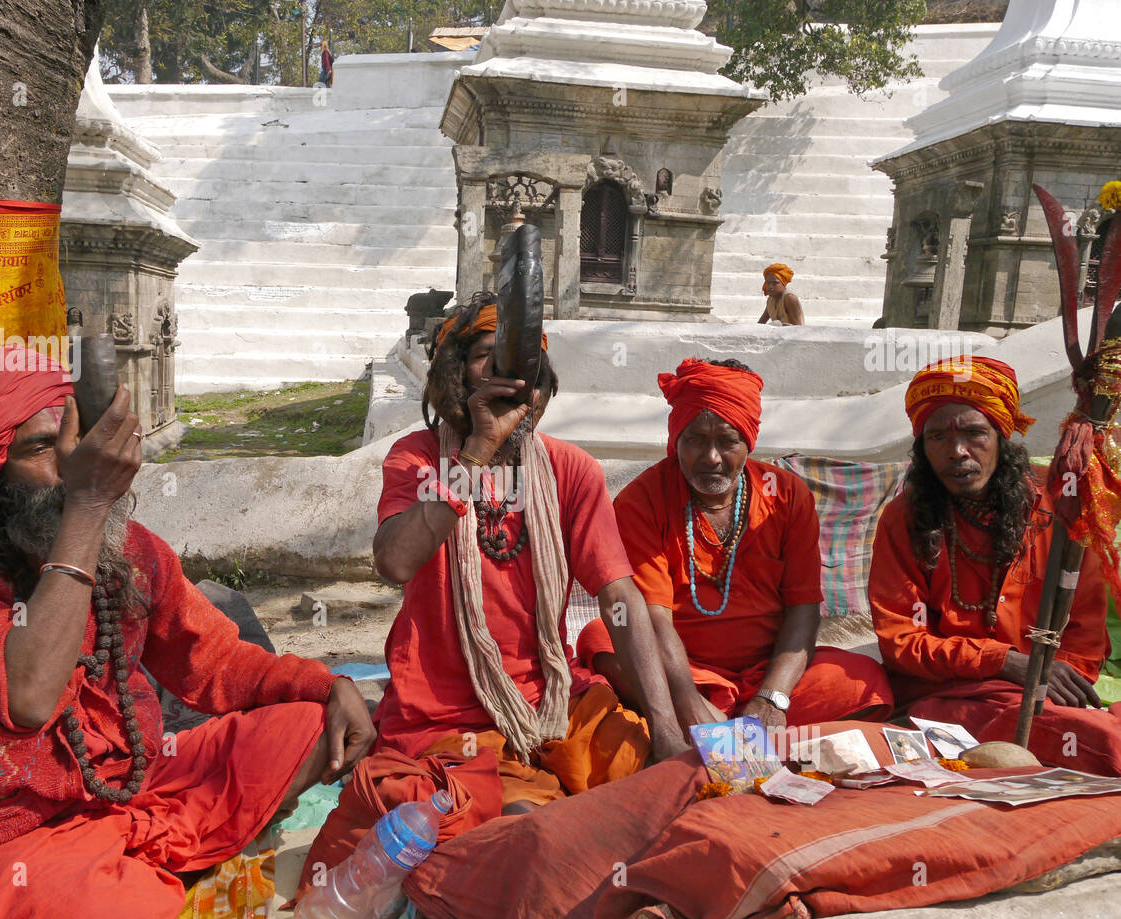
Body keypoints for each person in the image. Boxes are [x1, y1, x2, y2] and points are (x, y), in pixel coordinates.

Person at [0, 353, 374, 919]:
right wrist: (90, 505)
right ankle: (104, 895)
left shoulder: (134, 554)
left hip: (142, 794)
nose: (73, 468)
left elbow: (217, 662)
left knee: (315, 724)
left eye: (84, 447)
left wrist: (327, 683)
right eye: (47, 448)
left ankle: (131, 862)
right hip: (24, 839)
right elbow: (26, 699)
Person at [368, 292, 686, 814]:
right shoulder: (418, 459)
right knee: (514, 816)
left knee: (657, 777)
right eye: (485, 357)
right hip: (449, 711)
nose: (507, 377)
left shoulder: (571, 469)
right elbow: (396, 562)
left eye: (523, 364)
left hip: (554, 696)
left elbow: (619, 596)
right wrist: (477, 452)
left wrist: (668, 725)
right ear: (455, 378)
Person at [578, 358, 893, 730]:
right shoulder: (641, 500)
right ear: (676, 439)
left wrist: (773, 697)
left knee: (864, 680)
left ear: (748, 441)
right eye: (694, 440)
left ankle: (740, 718)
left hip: (768, 670)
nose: (710, 458)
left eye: (727, 442)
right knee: (602, 639)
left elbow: (803, 608)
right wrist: (689, 702)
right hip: (679, 673)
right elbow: (653, 620)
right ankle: (707, 717)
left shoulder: (788, 496)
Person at [869, 356, 1120, 773]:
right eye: (937, 437)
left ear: (1002, 436)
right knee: (1104, 742)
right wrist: (1002, 661)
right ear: (922, 446)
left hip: (1039, 693)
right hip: (947, 693)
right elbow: (900, 643)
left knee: (1090, 730)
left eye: (974, 433)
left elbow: (1084, 634)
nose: (957, 452)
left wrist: (1052, 677)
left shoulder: (1059, 510)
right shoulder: (904, 518)